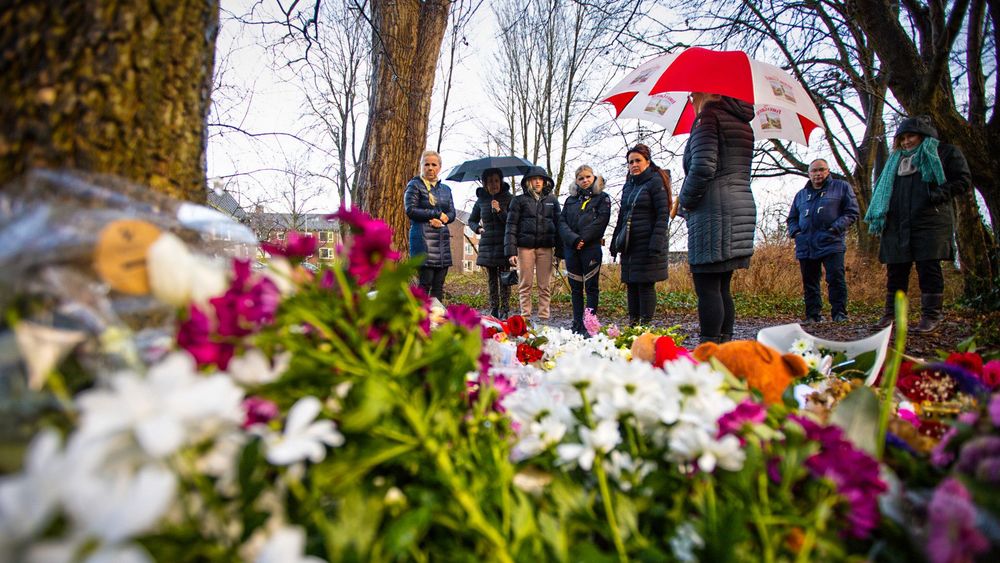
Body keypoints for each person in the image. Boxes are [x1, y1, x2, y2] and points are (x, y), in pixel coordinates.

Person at [866, 115, 971, 334]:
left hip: (929, 221)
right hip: (896, 223)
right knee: (896, 271)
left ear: (923, 135)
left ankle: (931, 315)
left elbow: (962, 180)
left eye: (910, 136)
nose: (906, 142)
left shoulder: (944, 153)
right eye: (902, 138)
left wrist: (937, 195)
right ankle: (891, 315)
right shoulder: (894, 161)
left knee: (928, 268)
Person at [676, 93, 755, 344]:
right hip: (738, 208)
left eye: (694, 93)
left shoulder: (707, 119)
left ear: (711, 92)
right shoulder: (743, 123)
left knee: (707, 286)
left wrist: (685, 202)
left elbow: (703, 167)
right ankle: (724, 344)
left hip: (713, 212)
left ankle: (709, 348)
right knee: (721, 286)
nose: (691, 98)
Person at [786, 159, 860, 323]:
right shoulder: (801, 195)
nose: (817, 174)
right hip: (806, 244)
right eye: (814, 171)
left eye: (821, 170)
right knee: (810, 282)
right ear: (809, 173)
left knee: (835, 278)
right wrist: (796, 232)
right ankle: (813, 315)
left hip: (831, 242)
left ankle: (839, 313)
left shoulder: (841, 187)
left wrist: (835, 228)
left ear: (828, 171)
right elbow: (792, 218)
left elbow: (852, 212)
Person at [610, 144, 671, 326]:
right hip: (630, 244)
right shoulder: (628, 185)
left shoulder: (655, 182)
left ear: (647, 161)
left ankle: (645, 324)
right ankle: (633, 322)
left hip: (648, 242)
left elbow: (663, 213)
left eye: (638, 160)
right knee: (631, 284)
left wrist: (656, 242)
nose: (634, 164)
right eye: (631, 162)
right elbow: (622, 215)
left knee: (645, 284)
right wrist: (615, 242)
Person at [559, 165, 612, 335]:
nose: (585, 180)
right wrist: (574, 240)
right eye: (581, 178)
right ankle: (577, 323)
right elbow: (561, 222)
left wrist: (584, 239)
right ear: (576, 180)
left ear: (593, 177)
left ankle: (589, 324)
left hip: (591, 247)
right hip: (572, 248)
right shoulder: (570, 200)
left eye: (588, 177)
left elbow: (601, 221)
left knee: (591, 287)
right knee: (575, 288)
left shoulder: (602, 198)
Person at [505, 166, 560, 322]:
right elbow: (511, 226)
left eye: (540, 179)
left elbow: (559, 224)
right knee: (525, 284)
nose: (537, 182)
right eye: (534, 179)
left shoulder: (552, 201)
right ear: (528, 181)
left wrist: (560, 252)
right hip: (525, 248)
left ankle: (544, 318)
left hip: (546, 248)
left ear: (545, 181)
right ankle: (525, 318)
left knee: (545, 285)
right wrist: (511, 251)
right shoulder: (518, 200)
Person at [404, 150, 455, 302]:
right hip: (422, 240)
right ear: (421, 166)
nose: (430, 168)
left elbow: (451, 212)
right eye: (427, 164)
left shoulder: (446, 190)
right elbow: (410, 210)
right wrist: (436, 214)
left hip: (442, 243)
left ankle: (436, 320)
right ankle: (420, 320)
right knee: (425, 284)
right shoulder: (414, 186)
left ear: (439, 167)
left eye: (434, 164)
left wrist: (444, 219)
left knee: (439, 285)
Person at [468, 168, 514, 318]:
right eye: (490, 182)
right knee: (492, 279)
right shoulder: (481, 200)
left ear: (500, 181)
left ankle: (505, 310)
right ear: (485, 184)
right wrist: (478, 228)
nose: (493, 184)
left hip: (504, 243)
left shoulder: (509, 198)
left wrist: (500, 210)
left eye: (496, 180)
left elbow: (512, 221)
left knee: (505, 278)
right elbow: (472, 220)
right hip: (488, 245)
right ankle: (494, 309)